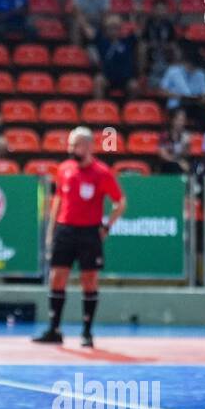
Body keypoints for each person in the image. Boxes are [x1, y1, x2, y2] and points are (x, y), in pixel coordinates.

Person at [33, 127, 126, 349]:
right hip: (65, 230)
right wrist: (51, 230)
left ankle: (87, 332)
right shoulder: (64, 169)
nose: (70, 148)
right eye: (70, 144)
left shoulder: (102, 173)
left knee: (89, 280)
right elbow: (58, 200)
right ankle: (54, 329)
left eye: (75, 144)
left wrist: (106, 226)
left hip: (89, 232)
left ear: (88, 146)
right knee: (57, 277)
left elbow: (120, 203)